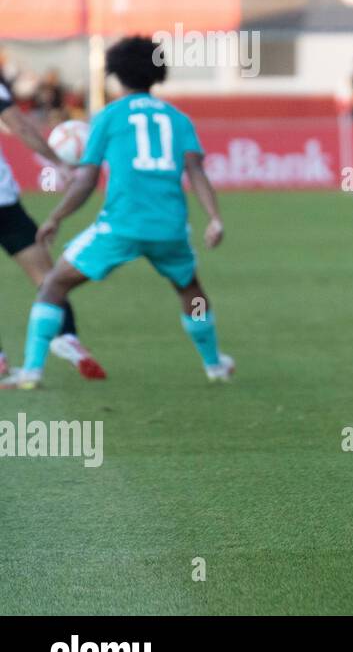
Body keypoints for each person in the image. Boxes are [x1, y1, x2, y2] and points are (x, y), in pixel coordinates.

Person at [2, 37, 231, 390]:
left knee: (53, 285)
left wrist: (57, 217)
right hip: (169, 228)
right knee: (192, 292)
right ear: (157, 74)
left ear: (114, 75)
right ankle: (214, 363)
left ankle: (31, 370)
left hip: (120, 226)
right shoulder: (178, 119)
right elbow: (197, 173)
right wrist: (214, 218)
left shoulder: (108, 117)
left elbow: (87, 181)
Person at [0, 77, 105, 382]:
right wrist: (58, 162)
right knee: (46, 276)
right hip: (4, 200)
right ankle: (66, 335)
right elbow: (20, 126)